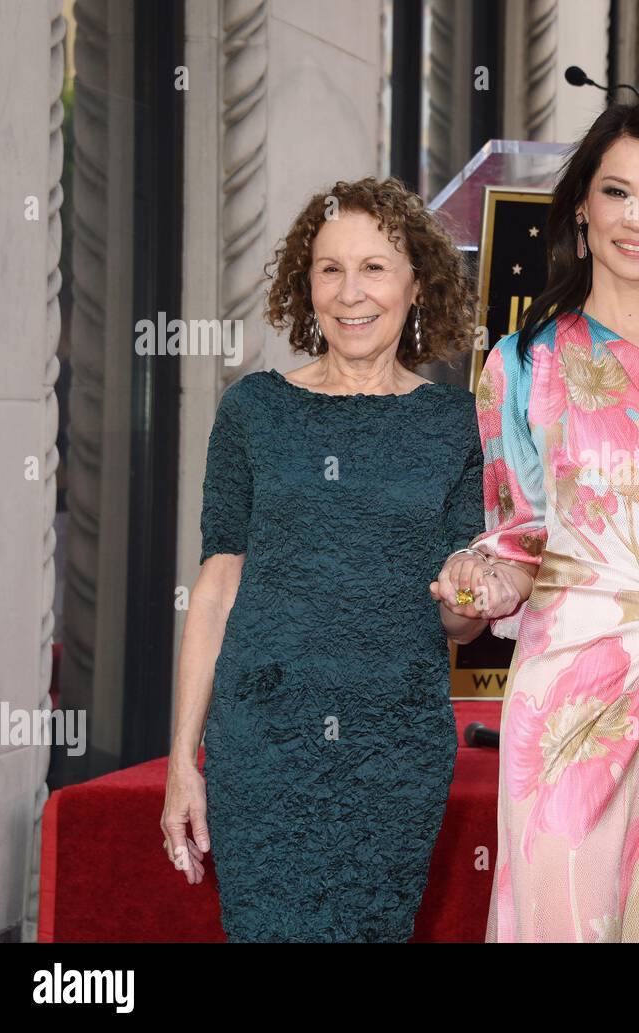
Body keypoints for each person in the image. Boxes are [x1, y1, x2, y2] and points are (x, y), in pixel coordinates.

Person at [430, 102, 639, 942]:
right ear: (581, 208)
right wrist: (474, 584)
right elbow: (519, 543)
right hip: (565, 690)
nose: (637, 217)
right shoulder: (522, 362)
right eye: (616, 191)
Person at [161, 177, 482, 941]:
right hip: (262, 743)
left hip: (395, 748)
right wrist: (182, 758)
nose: (350, 292)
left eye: (375, 266)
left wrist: (470, 593)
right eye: (329, 269)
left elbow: (460, 623)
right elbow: (217, 586)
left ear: (417, 284)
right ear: (305, 288)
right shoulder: (253, 410)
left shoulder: (456, 424)